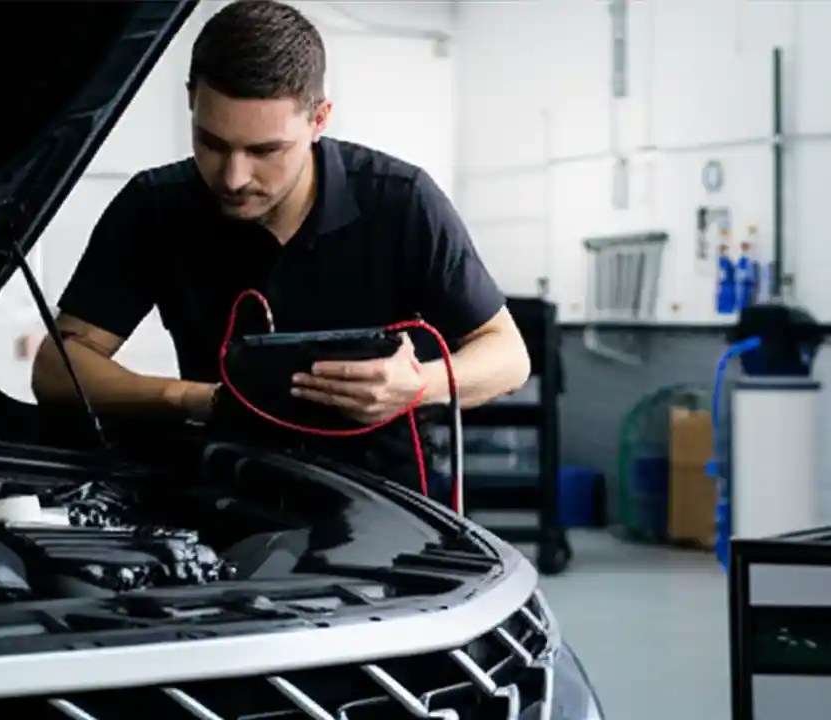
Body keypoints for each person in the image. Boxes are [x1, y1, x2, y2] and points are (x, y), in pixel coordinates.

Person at [31, 0, 531, 489]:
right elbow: (55, 370)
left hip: (384, 505)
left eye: (265, 150)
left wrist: (417, 386)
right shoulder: (154, 208)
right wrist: (195, 399)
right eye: (211, 142)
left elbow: (508, 356)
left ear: (319, 119)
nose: (233, 176)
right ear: (190, 100)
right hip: (227, 494)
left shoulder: (401, 201)